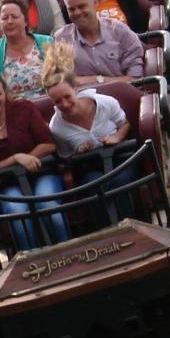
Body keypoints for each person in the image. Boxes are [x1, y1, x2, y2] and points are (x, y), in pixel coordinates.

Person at [0, 71, 67, 250]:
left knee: (46, 202)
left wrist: (31, 157)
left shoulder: (23, 108)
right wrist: (17, 158)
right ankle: (30, 259)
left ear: (4, 93)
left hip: (41, 172)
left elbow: (48, 144)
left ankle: (66, 249)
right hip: (8, 182)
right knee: (17, 211)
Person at [42, 43, 136, 224]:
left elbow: (124, 124)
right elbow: (65, 155)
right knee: (94, 186)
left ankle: (131, 226)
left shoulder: (103, 102)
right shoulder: (57, 127)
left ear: (75, 89)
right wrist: (79, 151)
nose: (65, 104)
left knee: (120, 182)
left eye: (67, 97)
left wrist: (117, 137)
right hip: (91, 166)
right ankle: (105, 232)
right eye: (58, 101)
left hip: (119, 157)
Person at [54, 0, 145, 86]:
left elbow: (135, 79)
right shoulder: (61, 39)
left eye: (82, 6)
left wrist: (98, 80)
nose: (77, 13)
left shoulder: (119, 31)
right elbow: (62, 83)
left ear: (95, 3)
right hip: (82, 99)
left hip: (122, 96)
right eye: (72, 9)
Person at [0, 0, 54, 99]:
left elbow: (63, 78)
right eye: (4, 18)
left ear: (26, 21)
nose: (10, 21)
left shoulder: (47, 42)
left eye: (14, 17)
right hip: (12, 110)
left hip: (50, 105)